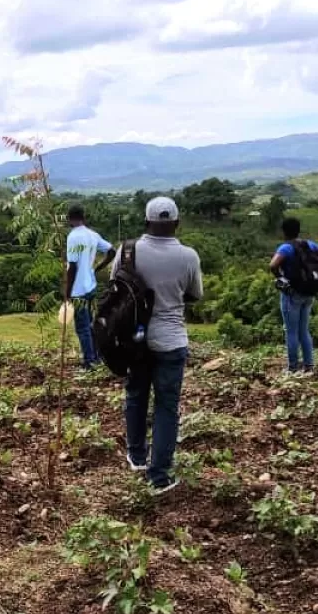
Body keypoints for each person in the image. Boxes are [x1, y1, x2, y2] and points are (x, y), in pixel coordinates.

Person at [113, 197, 203, 495]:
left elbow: (116, 288)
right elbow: (195, 294)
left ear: (146, 221)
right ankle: (159, 476)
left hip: (135, 340)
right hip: (171, 340)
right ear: (177, 223)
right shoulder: (189, 256)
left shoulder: (127, 250)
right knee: (166, 406)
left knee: (136, 395)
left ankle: (137, 456)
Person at [269, 218, 318, 373]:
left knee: (291, 331)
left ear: (284, 231)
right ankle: (309, 365)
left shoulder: (286, 247)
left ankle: (293, 368)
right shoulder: (309, 244)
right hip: (309, 292)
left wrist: (280, 278)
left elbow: (273, 265)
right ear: (298, 230)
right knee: (304, 330)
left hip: (292, 293)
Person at [65, 205, 116, 369]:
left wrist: (67, 293)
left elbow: (72, 267)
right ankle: (97, 356)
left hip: (78, 290)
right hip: (91, 286)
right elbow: (111, 251)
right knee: (90, 324)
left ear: (69, 219)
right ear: (83, 217)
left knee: (82, 327)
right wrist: (98, 268)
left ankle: (90, 361)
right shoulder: (92, 235)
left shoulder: (73, 237)